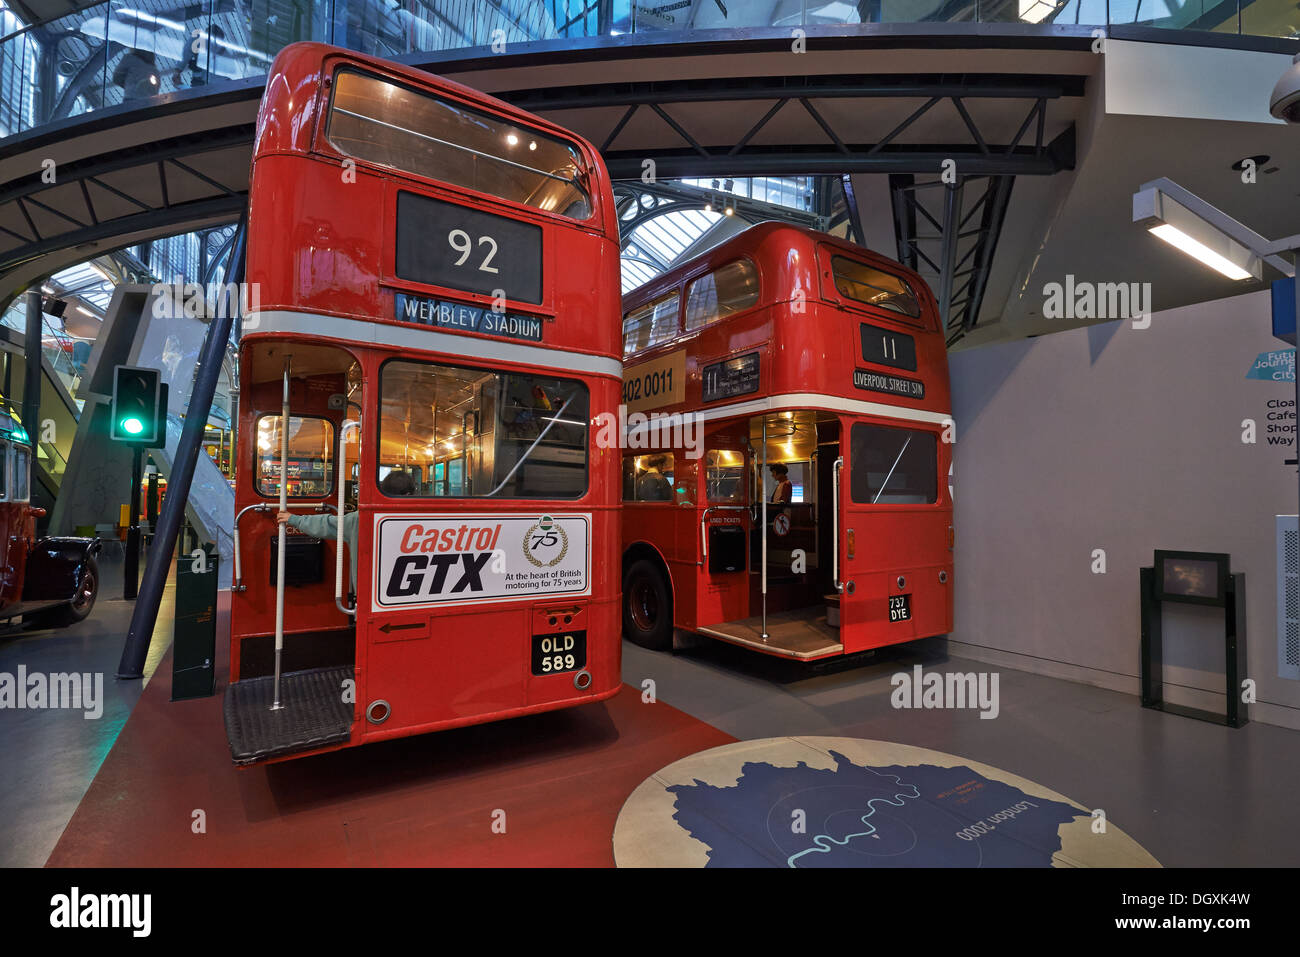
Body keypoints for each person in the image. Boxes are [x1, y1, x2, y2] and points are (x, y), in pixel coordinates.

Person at [277, 470, 415, 596]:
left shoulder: (360, 519)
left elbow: (326, 524)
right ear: (408, 495)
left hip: (371, 591)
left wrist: (294, 519)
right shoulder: (420, 518)